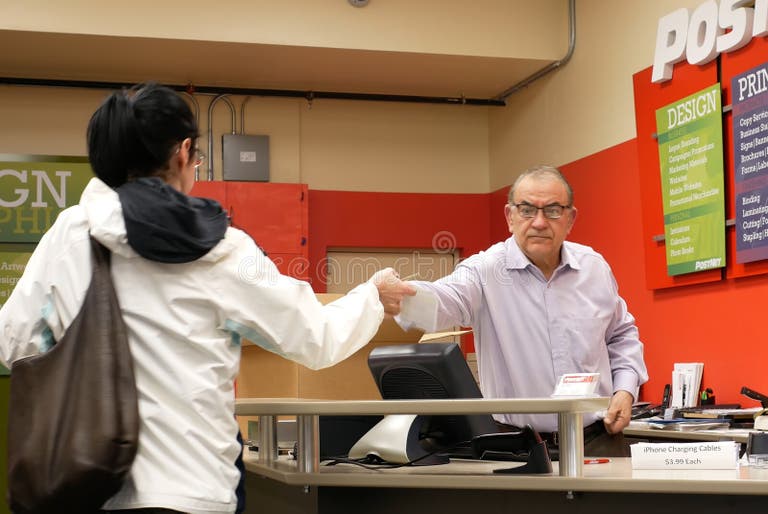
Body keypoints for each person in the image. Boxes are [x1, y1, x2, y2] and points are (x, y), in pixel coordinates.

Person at [0, 82, 415, 513]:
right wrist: (371, 296)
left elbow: (14, 343)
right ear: (182, 152)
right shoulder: (223, 247)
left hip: (86, 486)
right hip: (196, 489)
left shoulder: (69, 235)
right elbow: (315, 337)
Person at [397, 165, 648, 457]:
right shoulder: (485, 271)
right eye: (527, 209)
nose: (540, 222)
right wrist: (403, 297)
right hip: (519, 448)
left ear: (570, 218)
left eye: (553, 210)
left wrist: (626, 390)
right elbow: (447, 299)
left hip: (598, 441)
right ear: (510, 217)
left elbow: (621, 335)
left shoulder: (594, 268)